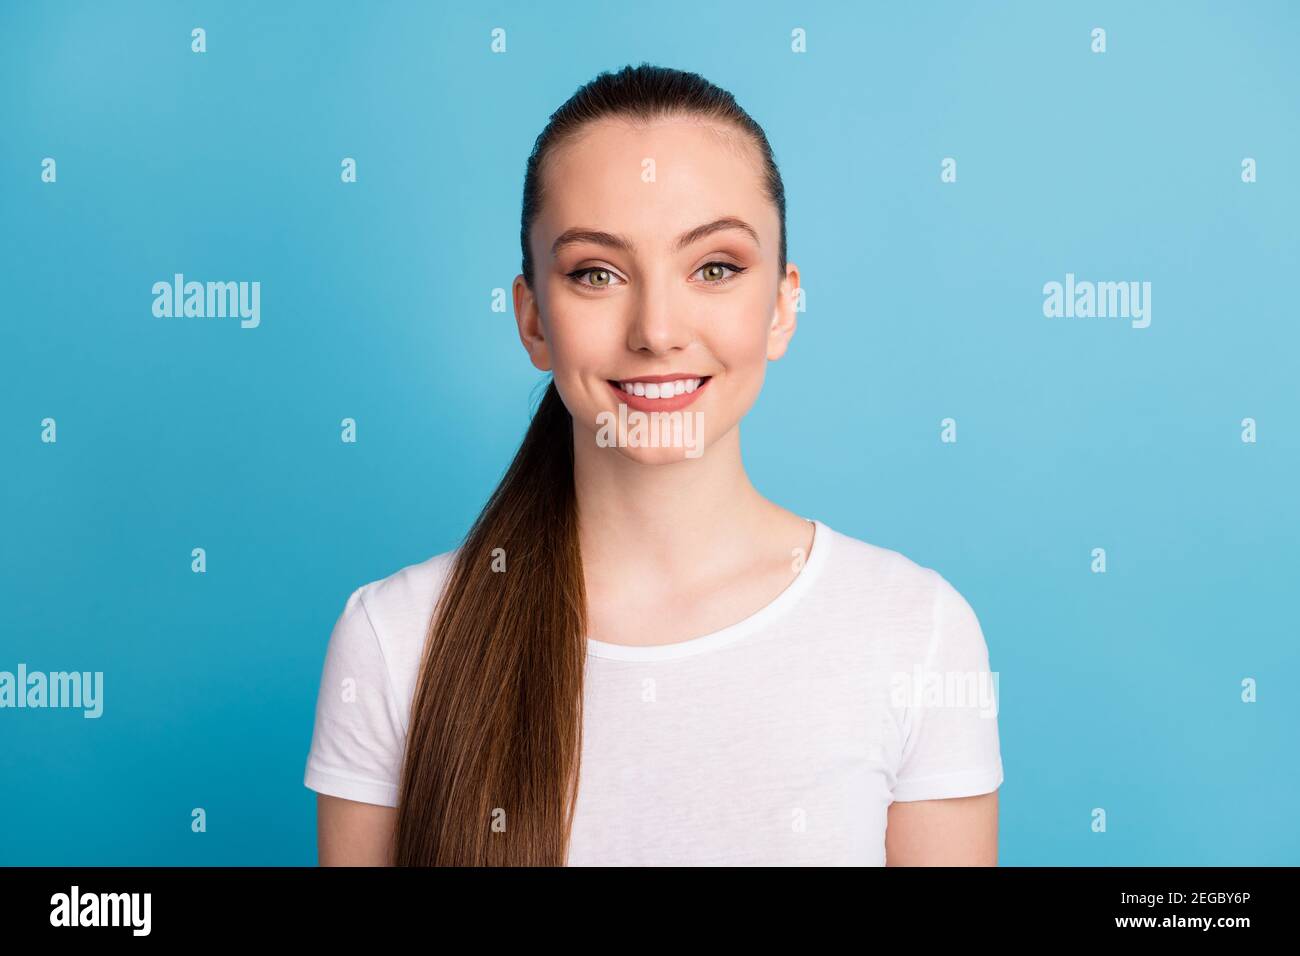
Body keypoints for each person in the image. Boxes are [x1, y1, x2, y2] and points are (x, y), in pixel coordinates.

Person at [304, 62, 1004, 866]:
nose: (657, 330)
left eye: (715, 267)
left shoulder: (917, 632)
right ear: (533, 320)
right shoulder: (395, 641)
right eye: (596, 273)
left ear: (781, 306)